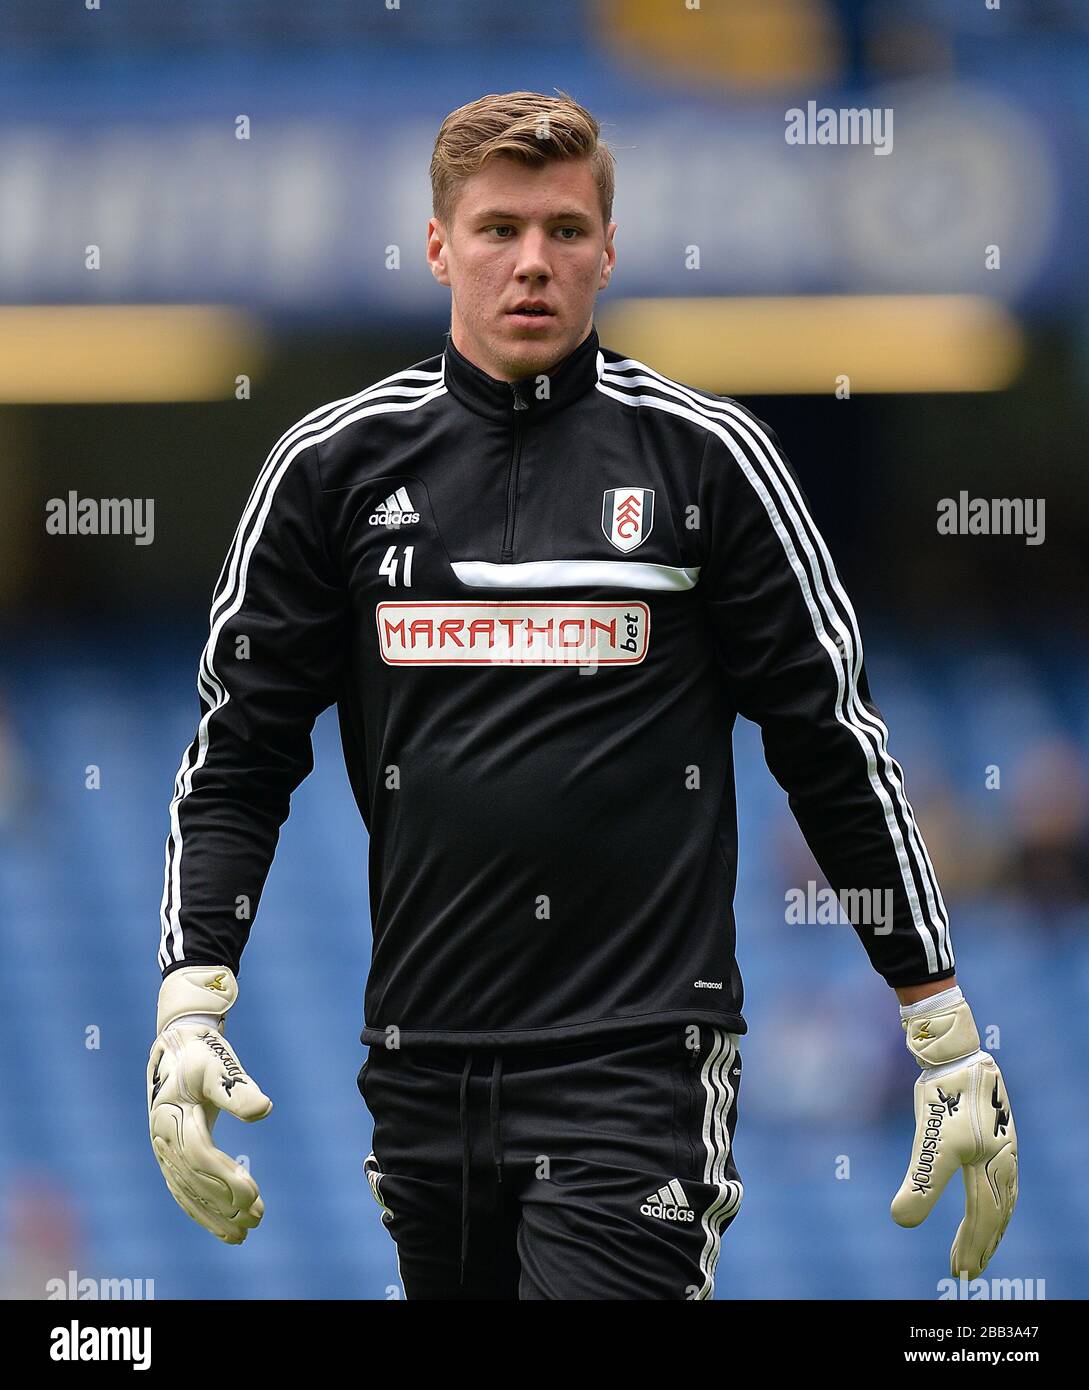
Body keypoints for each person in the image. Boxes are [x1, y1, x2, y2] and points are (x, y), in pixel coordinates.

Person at [147, 90, 1017, 1300]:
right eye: (499, 229)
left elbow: (831, 746)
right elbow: (237, 757)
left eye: (564, 230)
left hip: (639, 1061)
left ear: (610, 249)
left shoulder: (709, 462)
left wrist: (941, 1023)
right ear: (438, 244)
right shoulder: (329, 471)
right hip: (420, 1059)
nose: (533, 263)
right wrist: (190, 999)